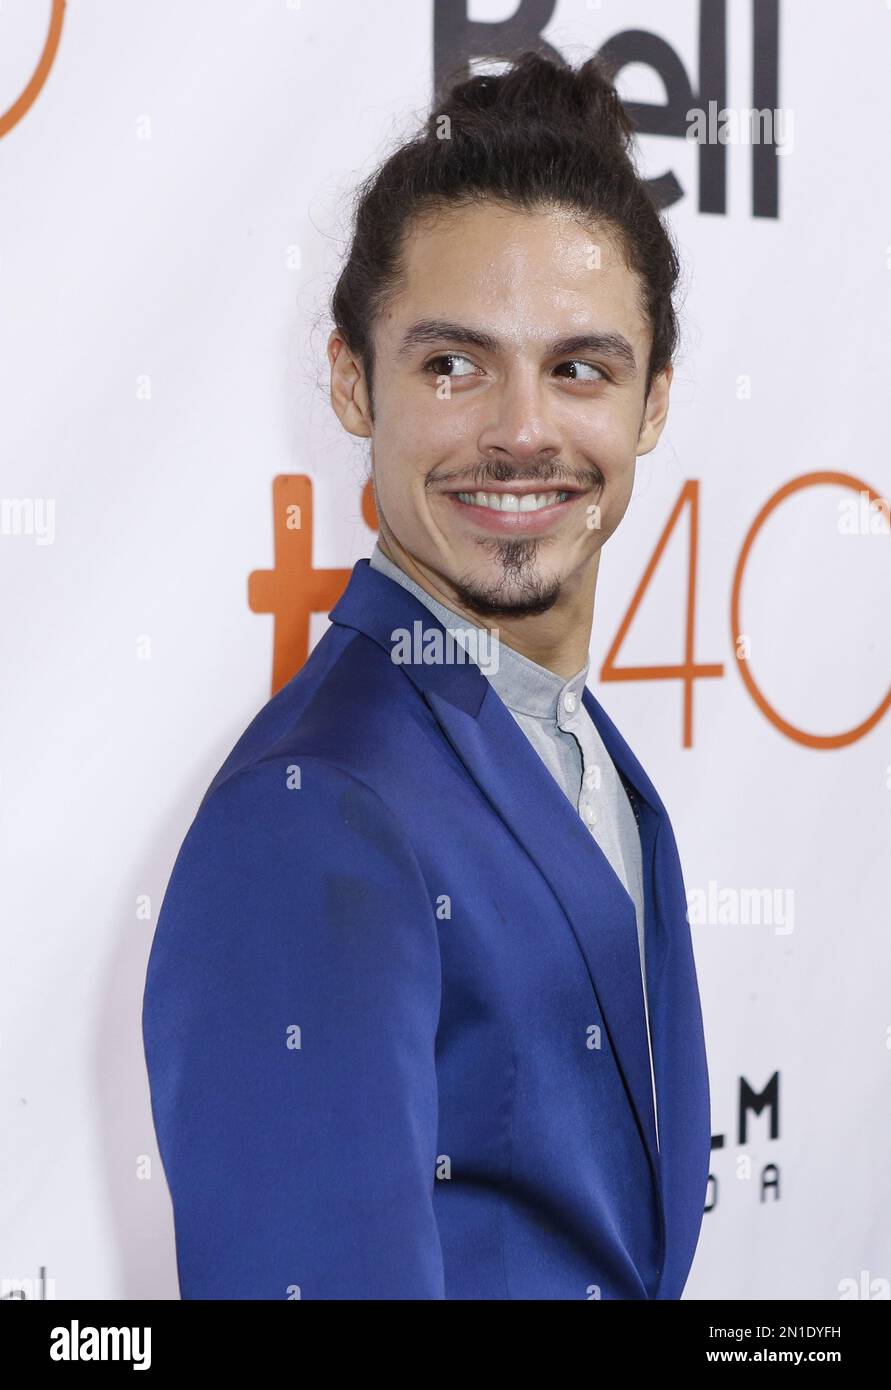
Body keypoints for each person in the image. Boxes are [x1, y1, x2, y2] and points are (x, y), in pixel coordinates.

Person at [142, 49, 711, 1300]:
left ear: (652, 400)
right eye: (454, 364)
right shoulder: (312, 814)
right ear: (354, 380)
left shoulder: (588, 755)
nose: (521, 428)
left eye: (580, 367)